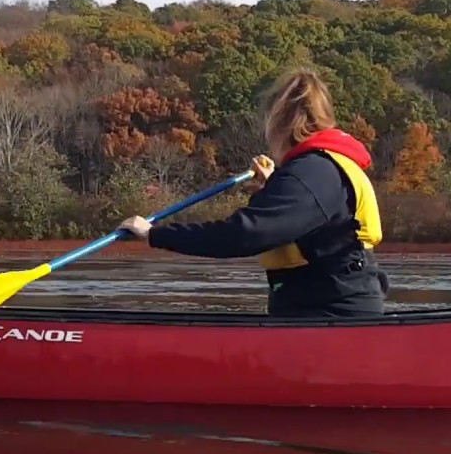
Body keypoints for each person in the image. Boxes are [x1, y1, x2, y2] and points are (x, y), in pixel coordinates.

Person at [117, 66, 389, 317]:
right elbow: (305, 215)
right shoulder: (321, 169)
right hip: (320, 308)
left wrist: (155, 233)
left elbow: (244, 234)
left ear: (279, 122)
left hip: (330, 315)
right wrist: (275, 185)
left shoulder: (311, 173)